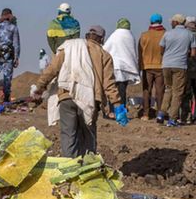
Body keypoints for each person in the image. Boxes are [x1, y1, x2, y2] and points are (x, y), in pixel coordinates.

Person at [33, 25, 128, 158]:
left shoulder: (69, 48)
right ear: (101, 39)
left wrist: (40, 87)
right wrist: (117, 105)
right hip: (90, 101)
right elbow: (109, 84)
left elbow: (52, 69)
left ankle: (70, 168)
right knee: (88, 136)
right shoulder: (104, 55)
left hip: (67, 97)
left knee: (68, 135)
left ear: (87, 36)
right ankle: (88, 168)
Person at [159, 14, 196, 126]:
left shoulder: (167, 33)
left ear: (176, 22)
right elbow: (193, 53)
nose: (171, 23)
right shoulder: (189, 34)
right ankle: (172, 118)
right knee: (178, 93)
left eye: (172, 21)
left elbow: (161, 49)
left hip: (166, 65)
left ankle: (161, 113)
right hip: (180, 65)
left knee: (168, 89)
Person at [102, 18, 140, 113]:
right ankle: (121, 111)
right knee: (122, 91)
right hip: (126, 68)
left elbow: (105, 49)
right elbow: (132, 52)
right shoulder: (130, 36)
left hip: (115, 66)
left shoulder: (115, 35)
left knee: (113, 90)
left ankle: (112, 111)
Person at [138, 13, 166, 119]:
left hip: (147, 66)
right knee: (160, 92)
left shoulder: (144, 35)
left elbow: (140, 52)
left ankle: (146, 114)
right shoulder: (165, 34)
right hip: (161, 66)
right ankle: (160, 114)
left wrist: (140, 66)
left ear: (151, 22)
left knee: (146, 91)